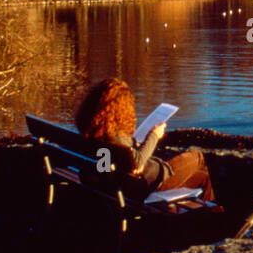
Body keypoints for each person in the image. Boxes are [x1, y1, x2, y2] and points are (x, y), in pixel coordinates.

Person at [74, 78, 214, 202]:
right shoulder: (113, 137)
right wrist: (154, 135)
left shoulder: (96, 133)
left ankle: (214, 216)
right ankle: (222, 219)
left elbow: (106, 168)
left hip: (127, 184)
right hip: (147, 183)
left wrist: (127, 161)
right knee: (197, 157)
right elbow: (137, 162)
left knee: (202, 177)